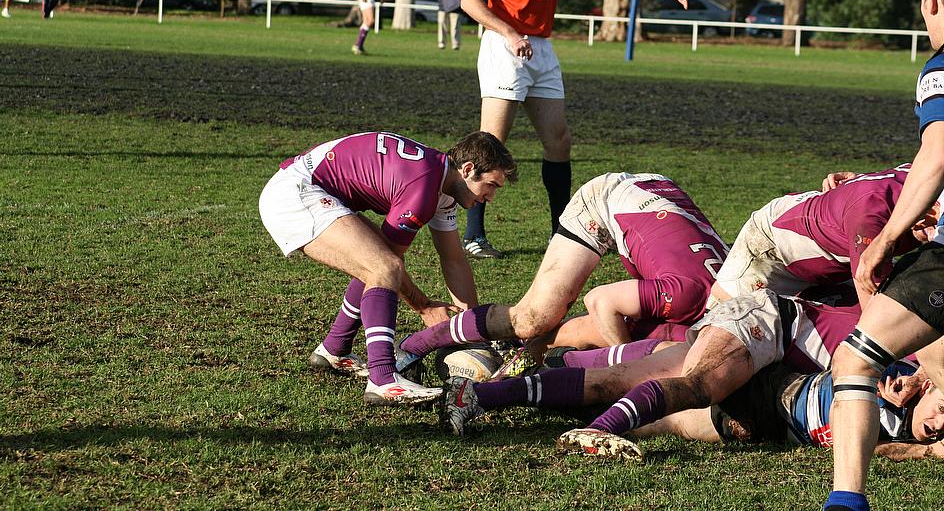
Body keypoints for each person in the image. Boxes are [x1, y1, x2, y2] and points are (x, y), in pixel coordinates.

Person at [459, 0, 696, 259]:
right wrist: (509, 33)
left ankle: (561, 232)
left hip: (541, 49)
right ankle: (473, 235)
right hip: (504, 48)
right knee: (491, 144)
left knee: (559, 141)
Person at [258, 131, 516, 405]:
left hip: (310, 188)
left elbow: (454, 259)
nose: (491, 197)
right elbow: (389, 262)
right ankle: (383, 379)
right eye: (491, 185)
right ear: (468, 169)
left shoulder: (442, 186)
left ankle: (335, 348)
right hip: (296, 193)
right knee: (384, 266)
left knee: (378, 263)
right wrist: (424, 306)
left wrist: (472, 328)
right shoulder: (423, 186)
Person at [395, 172, 729, 374]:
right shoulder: (685, 296)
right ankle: (413, 346)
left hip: (659, 195)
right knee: (533, 318)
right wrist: (626, 368)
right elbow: (599, 301)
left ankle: (522, 351)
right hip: (604, 201)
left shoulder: (734, 296)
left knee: (642, 329)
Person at [824, 0, 944, 511]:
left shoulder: (939, 68)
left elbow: (937, 154)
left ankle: (847, 503)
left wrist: (885, 238)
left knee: (855, 362)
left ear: (931, 1)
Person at [440, 286, 868, 438]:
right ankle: (596, 431)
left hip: (767, 342)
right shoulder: (898, 337)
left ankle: (476, 395)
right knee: (695, 388)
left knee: (617, 386)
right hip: (768, 325)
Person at [559, 359, 944, 461]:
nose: (938, 422)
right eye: (942, 408)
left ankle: (576, 415)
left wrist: (926, 450)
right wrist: (904, 377)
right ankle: (559, 375)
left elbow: (863, 446)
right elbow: (853, 358)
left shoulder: (911, 436)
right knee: (657, 379)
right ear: (930, 385)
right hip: (770, 392)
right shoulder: (898, 375)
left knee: (663, 423)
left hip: (766, 427)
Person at [708, 164, 942, 308]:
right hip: (772, 247)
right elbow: (875, 310)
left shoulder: (929, 175)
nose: (937, 234)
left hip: (832, 246)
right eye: (938, 224)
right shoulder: (869, 218)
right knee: (724, 315)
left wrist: (857, 183)